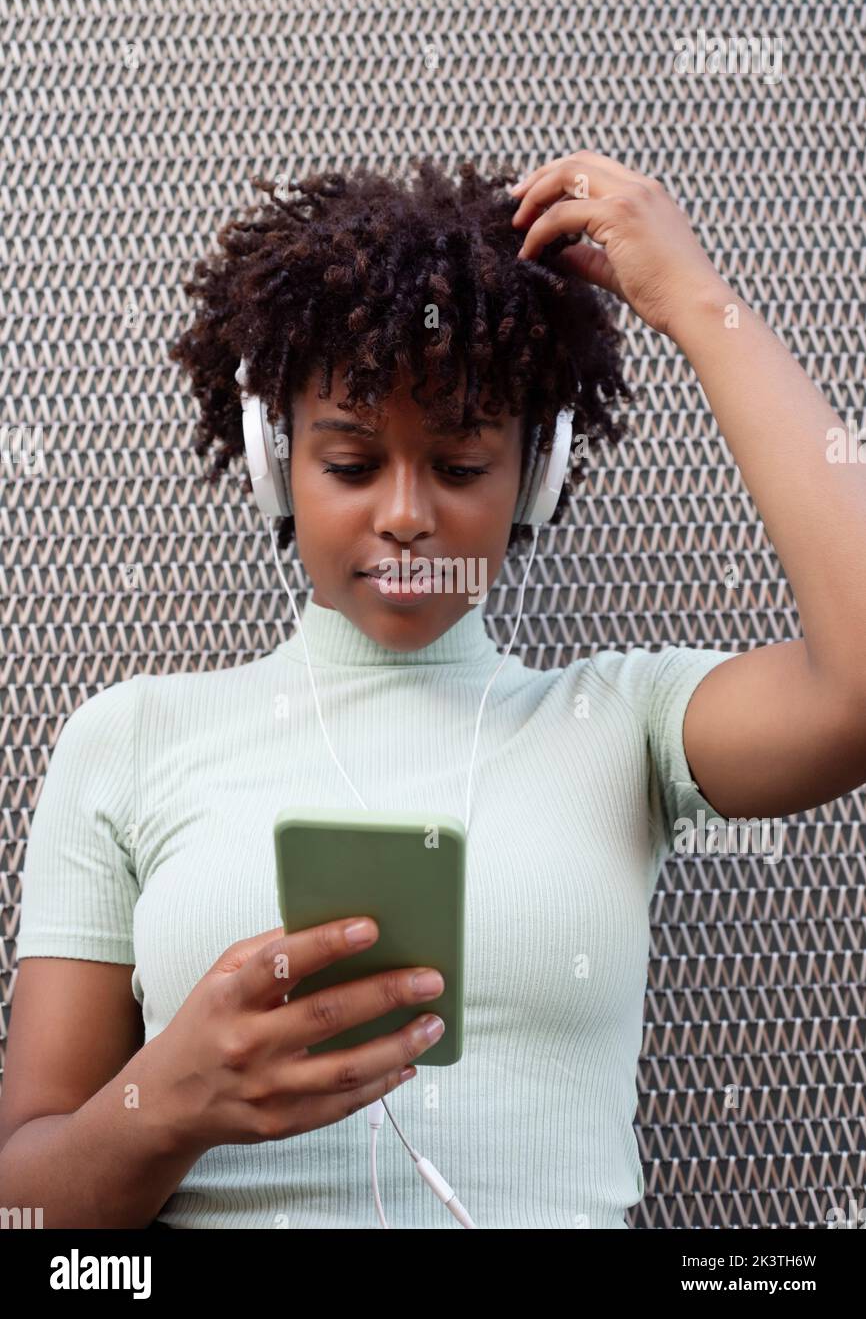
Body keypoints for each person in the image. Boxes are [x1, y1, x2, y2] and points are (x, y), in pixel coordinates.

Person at [3, 154, 865, 1230]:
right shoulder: (128, 737)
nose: (405, 513)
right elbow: (23, 1211)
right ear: (278, 465)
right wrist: (163, 1103)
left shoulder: (622, 723)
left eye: (458, 467)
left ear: (533, 477)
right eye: (352, 463)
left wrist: (698, 306)